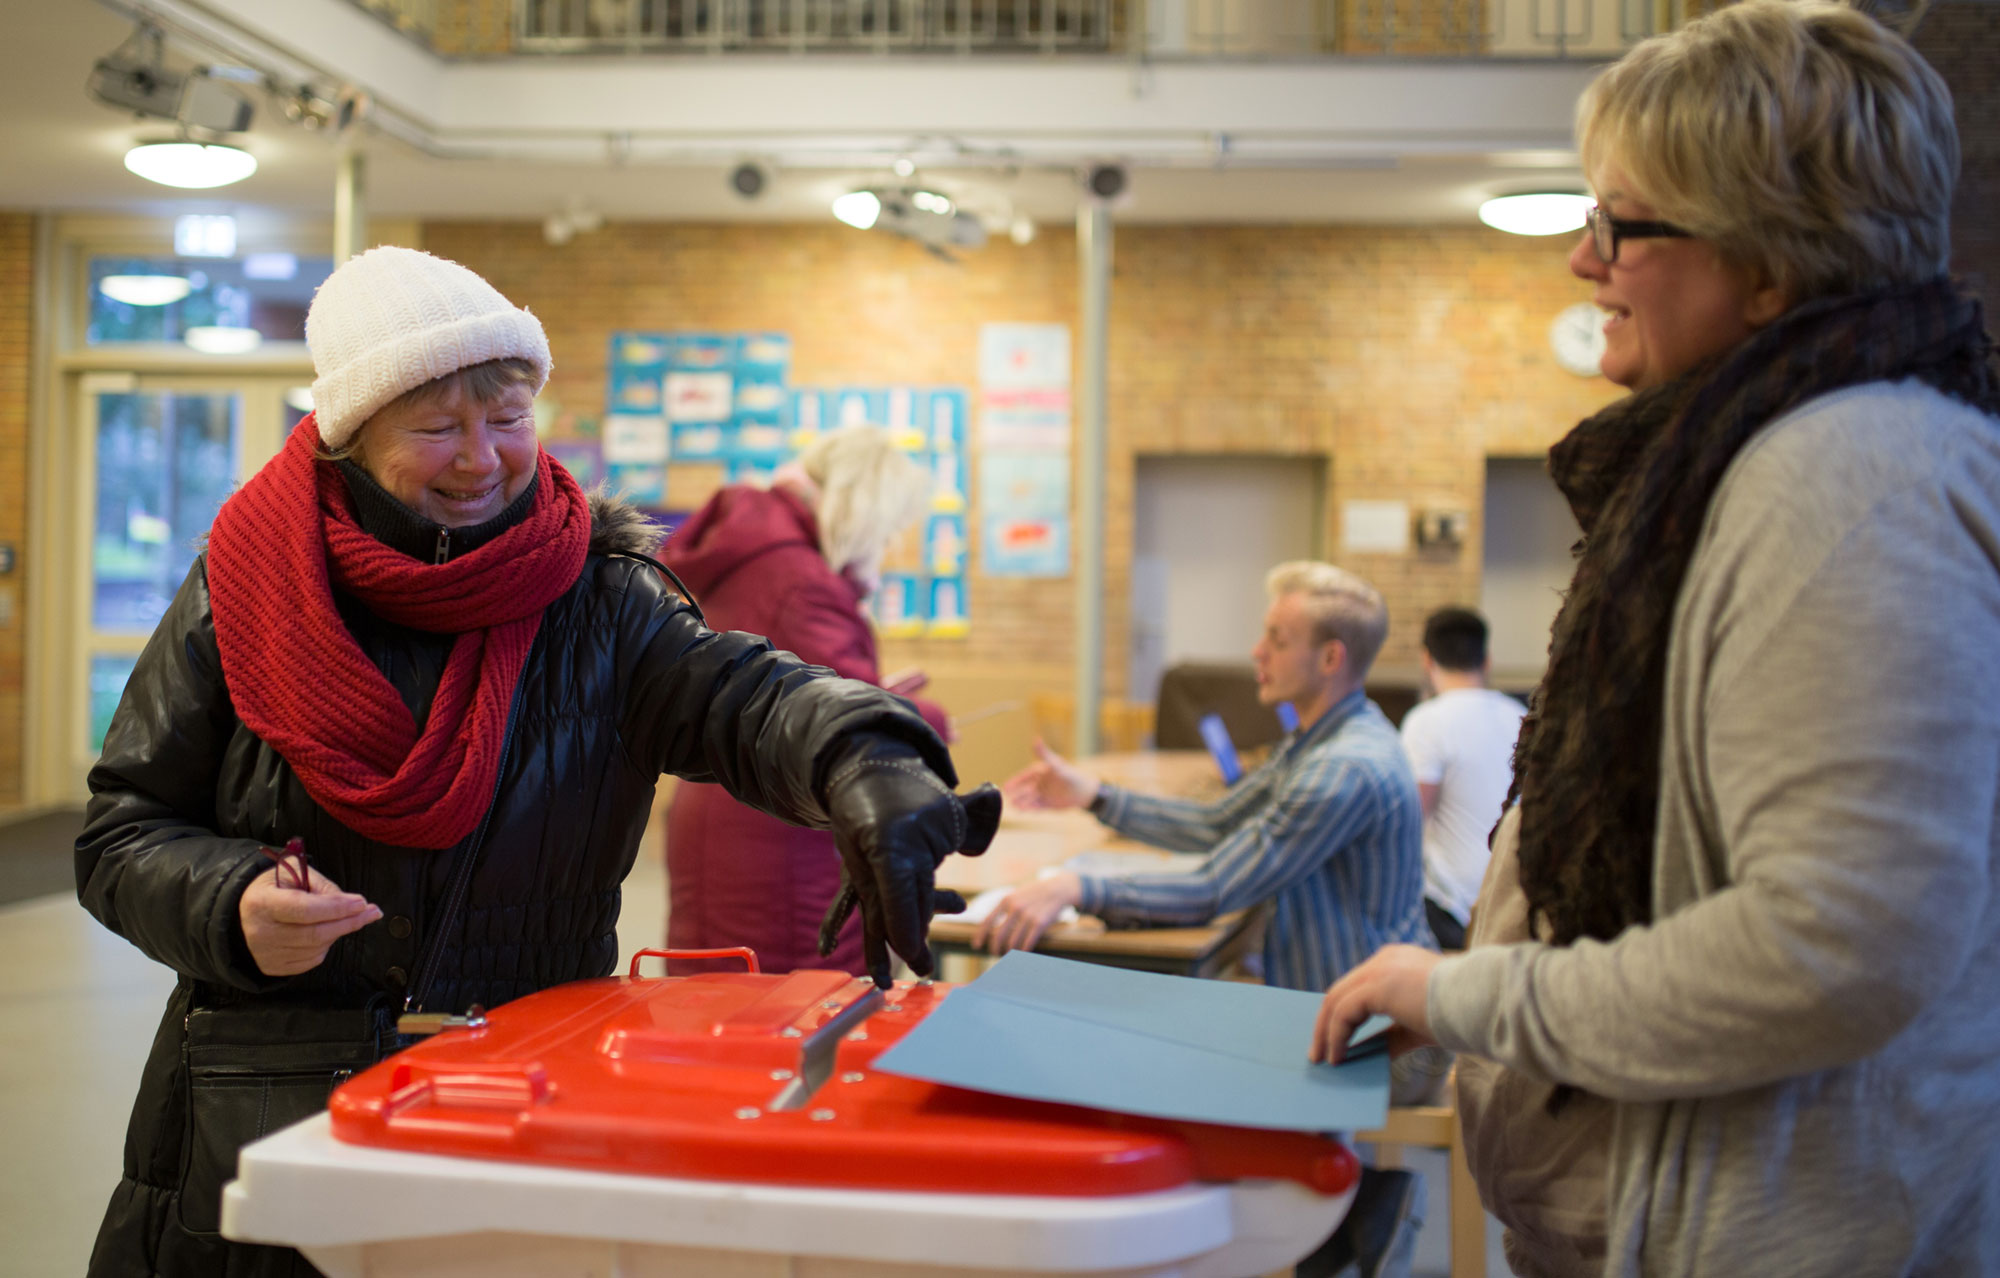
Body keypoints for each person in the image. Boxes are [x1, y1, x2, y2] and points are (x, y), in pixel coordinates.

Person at [74, 246, 999, 1278]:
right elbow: (121, 832)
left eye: (506, 420)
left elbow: (745, 694)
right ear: (349, 437)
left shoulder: (597, 598)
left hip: (524, 1104)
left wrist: (865, 756)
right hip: (277, 1112)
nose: (481, 458)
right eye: (434, 429)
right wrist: (228, 902)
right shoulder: (246, 588)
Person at [1312, 4, 2000, 1274]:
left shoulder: (1847, 482)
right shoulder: (1768, 462)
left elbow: (1831, 950)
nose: (1583, 263)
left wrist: (1464, 994)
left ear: (1767, 268)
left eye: (1617, 226)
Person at [980, 560, 1433, 994]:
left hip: (1376, 1034)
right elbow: (1216, 823)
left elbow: (1215, 886)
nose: (1258, 651)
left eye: (1277, 640)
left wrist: (1075, 886)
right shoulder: (1318, 740)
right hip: (1336, 1005)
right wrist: (1094, 796)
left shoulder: (1341, 770)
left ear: (1331, 658)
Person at [663, 425, 954, 976]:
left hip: (733, 805)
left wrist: (882, 692)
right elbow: (843, 720)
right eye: (887, 529)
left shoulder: (760, 554)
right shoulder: (803, 580)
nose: (885, 546)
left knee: (722, 1010)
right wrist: (929, 720)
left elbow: (798, 690)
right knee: (795, 1017)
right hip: (780, 834)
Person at [1398, 607, 1523, 950]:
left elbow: (1410, 820)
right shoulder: (1520, 716)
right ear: (1487, 660)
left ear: (1427, 660)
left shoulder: (1425, 721)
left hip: (1452, 913)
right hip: (1512, 901)